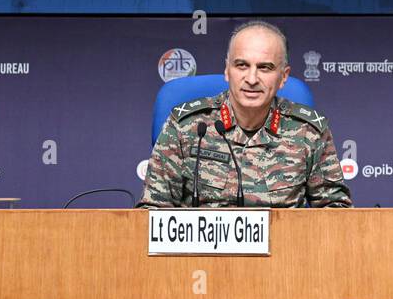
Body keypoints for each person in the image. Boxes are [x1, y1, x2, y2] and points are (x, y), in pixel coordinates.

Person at [139, 21, 351, 207]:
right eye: (242, 65)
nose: (251, 78)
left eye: (265, 68)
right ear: (227, 70)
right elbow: (152, 212)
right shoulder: (186, 125)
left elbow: (335, 216)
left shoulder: (309, 131)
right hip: (200, 253)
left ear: (283, 76)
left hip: (283, 251)